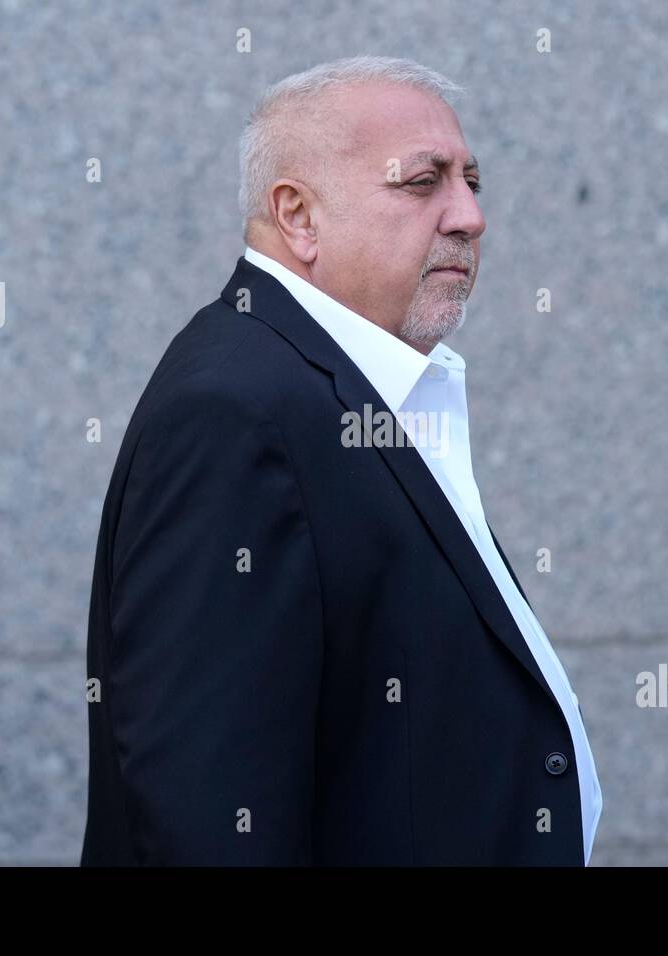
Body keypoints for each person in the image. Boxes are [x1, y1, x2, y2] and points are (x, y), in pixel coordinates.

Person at [80, 55, 601, 865]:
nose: (469, 217)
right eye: (423, 183)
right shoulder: (234, 413)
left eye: (472, 181)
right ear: (298, 217)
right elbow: (209, 815)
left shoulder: (340, 386)